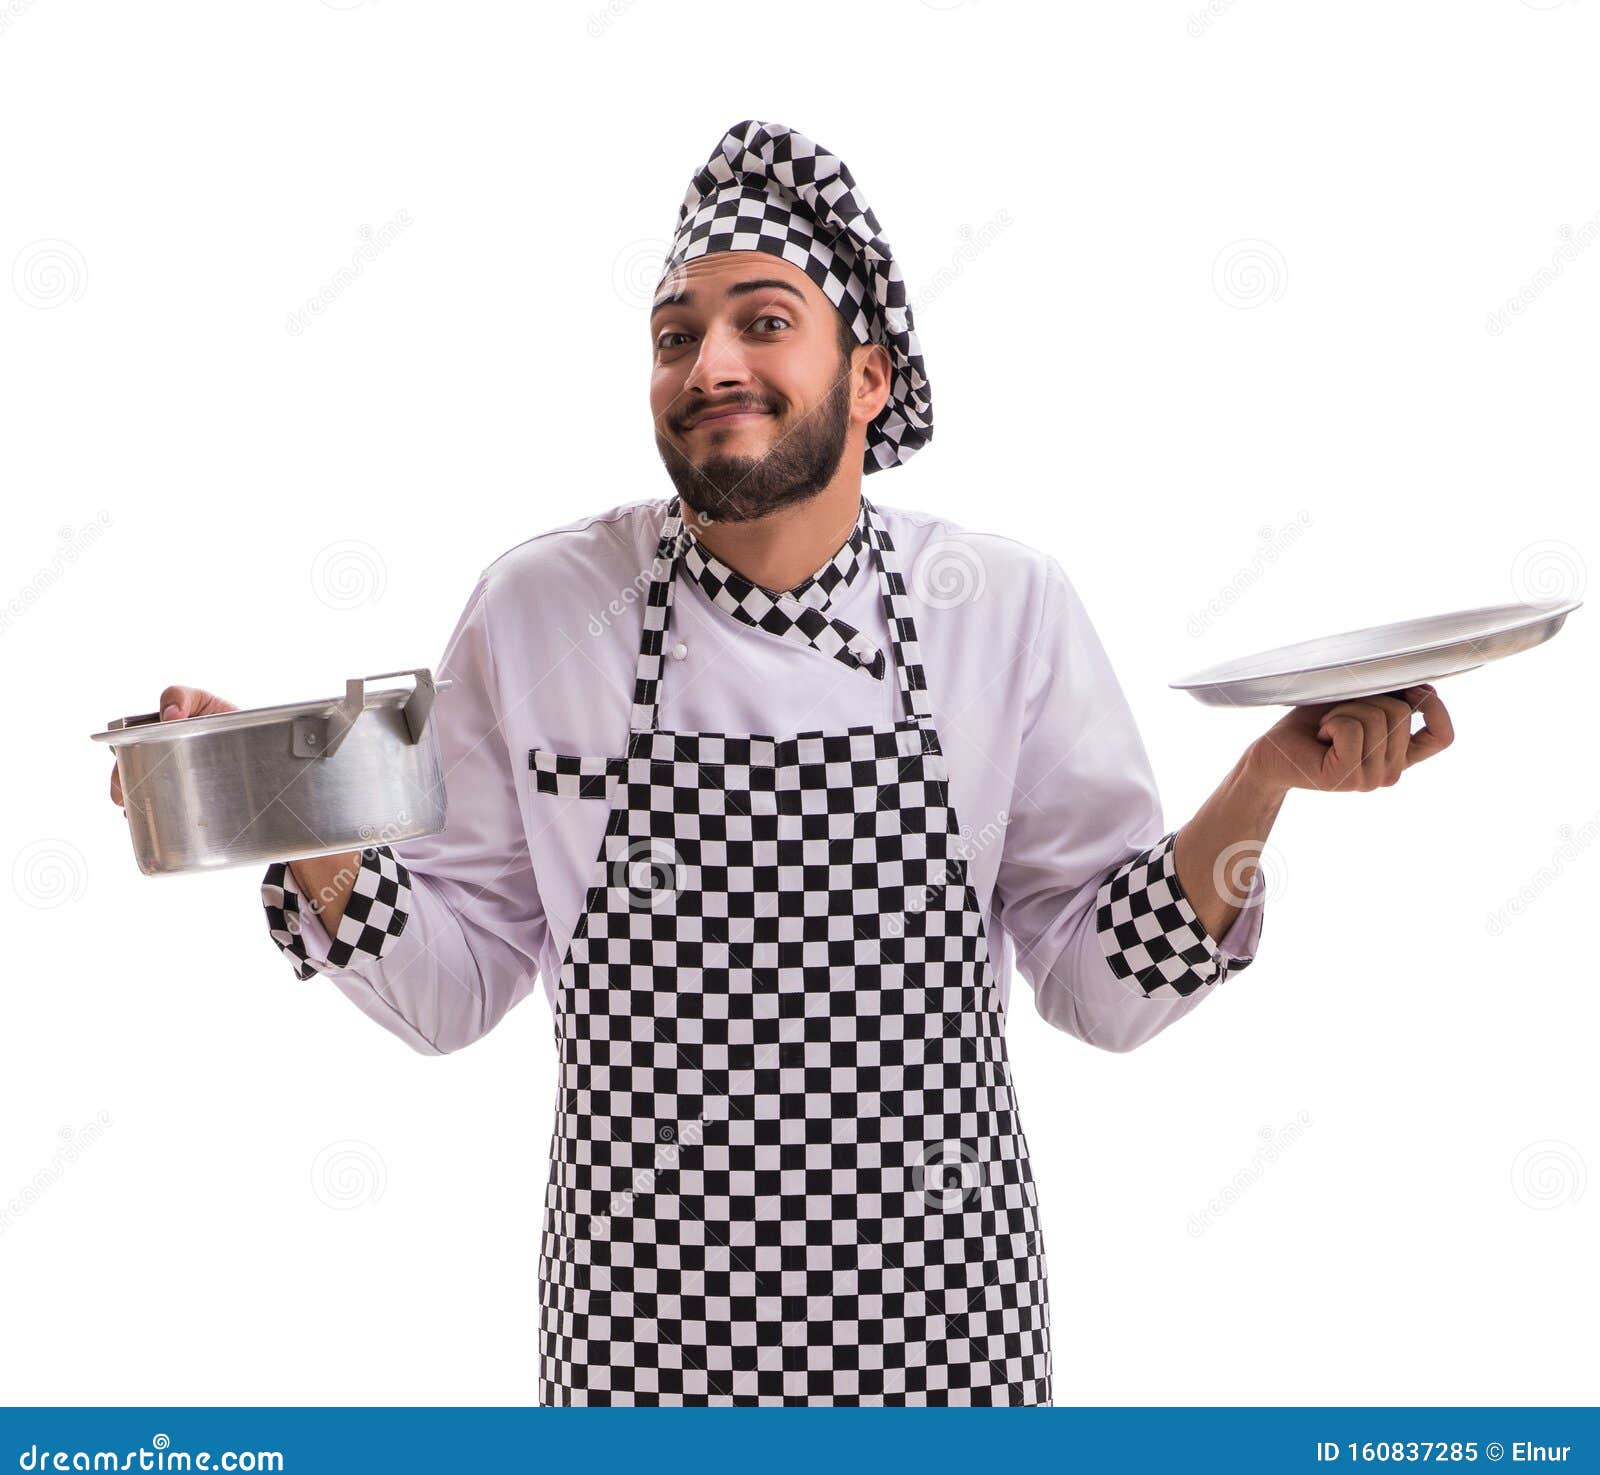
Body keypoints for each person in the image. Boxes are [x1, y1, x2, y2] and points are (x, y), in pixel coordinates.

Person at [109, 120, 1454, 1407]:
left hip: (947, 1345)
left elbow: (1103, 988)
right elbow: (454, 988)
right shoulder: (539, 610)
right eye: (675, 335)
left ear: (869, 378)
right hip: (639, 1351)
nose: (710, 363)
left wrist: (1261, 786)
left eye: (764, 321)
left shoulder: (1002, 608)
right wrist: (299, 817)